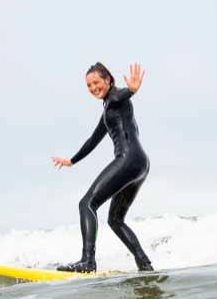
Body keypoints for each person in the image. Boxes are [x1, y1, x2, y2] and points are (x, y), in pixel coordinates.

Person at [51, 62, 153, 273]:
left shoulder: (116, 98)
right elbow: (93, 140)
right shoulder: (109, 108)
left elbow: (120, 96)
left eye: (96, 82)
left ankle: (87, 261)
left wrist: (131, 90)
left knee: (86, 204)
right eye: (88, 85)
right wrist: (71, 160)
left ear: (108, 80)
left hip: (128, 159)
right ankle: (144, 264)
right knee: (115, 220)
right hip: (140, 163)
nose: (93, 88)